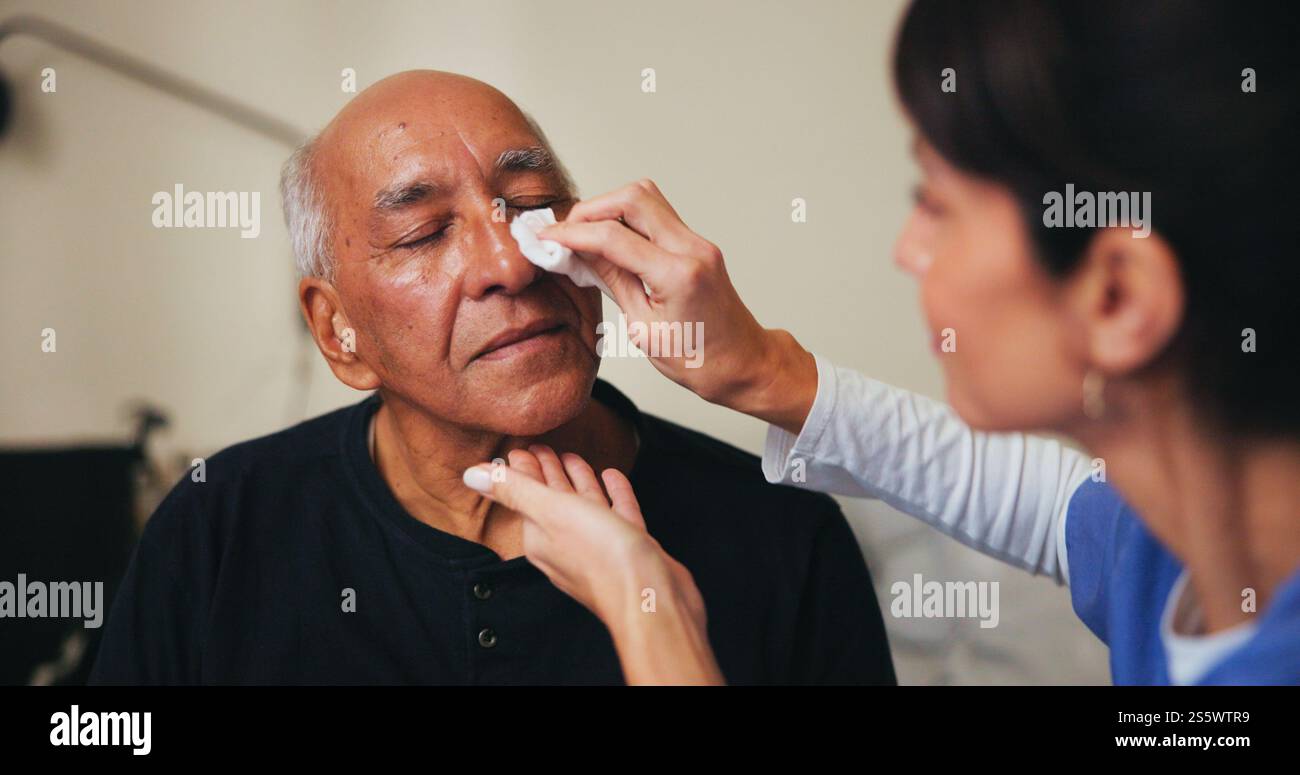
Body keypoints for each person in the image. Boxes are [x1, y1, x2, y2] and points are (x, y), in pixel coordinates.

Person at [463, 0, 1300, 685]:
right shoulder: (1169, 542)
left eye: (937, 203)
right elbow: (1053, 511)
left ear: (1118, 295)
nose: (908, 248)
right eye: (425, 230)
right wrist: (759, 369)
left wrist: (645, 601)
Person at [88, 71, 896, 685]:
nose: (511, 262)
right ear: (338, 331)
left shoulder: (783, 535)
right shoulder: (217, 527)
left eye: (534, 203)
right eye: (423, 233)